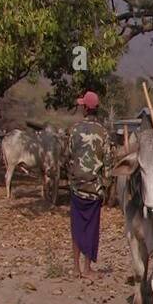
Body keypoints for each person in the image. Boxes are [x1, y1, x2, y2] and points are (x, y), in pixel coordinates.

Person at [68, 90, 110, 279]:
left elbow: (67, 156)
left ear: (86, 108)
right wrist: (106, 187)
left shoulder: (74, 130)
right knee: (91, 228)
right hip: (94, 189)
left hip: (77, 187)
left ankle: (76, 268)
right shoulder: (103, 133)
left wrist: (72, 178)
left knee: (76, 226)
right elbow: (108, 164)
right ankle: (87, 268)